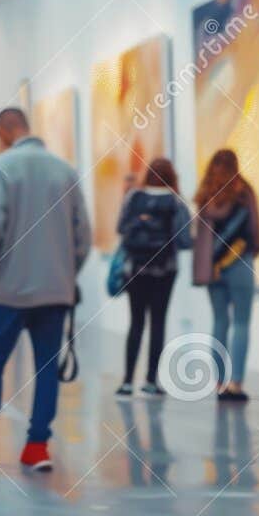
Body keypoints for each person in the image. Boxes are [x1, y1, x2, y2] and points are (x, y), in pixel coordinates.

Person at [0, 107, 90, 472]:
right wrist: (65, 273)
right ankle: (37, 448)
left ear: (3, 131)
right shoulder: (65, 171)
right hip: (55, 290)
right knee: (47, 367)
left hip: (10, 290)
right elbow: (82, 236)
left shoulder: (1, 168)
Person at [115, 157, 192, 398]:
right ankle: (151, 381)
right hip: (165, 271)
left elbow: (120, 228)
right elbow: (184, 240)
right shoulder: (176, 202)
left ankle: (127, 382)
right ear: (172, 176)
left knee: (136, 323)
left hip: (136, 269)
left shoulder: (134, 197)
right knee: (158, 322)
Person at [193, 149, 259, 403]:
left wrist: (212, 261)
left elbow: (200, 237)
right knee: (242, 323)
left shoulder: (205, 194)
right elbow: (252, 229)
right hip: (240, 264)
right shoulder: (244, 192)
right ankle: (236, 384)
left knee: (220, 321)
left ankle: (219, 384)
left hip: (212, 269)